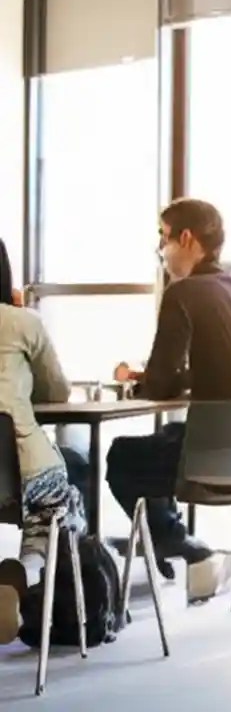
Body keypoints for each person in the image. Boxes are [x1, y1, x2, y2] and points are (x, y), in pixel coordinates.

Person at [108, 198, 231, 602]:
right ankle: (192, 556)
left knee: (121, 457)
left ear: (186, 239)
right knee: (166, 438)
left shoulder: (183, 292)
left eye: (163, 238)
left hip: (207, 462)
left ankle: (192, 552)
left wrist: (139, 382)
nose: (161, 249)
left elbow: (158, 387)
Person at [0, 238, 85, 643]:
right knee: (57, 506)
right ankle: (24, 573)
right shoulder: (22, 322)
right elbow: (57, 391)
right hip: (21, 467)